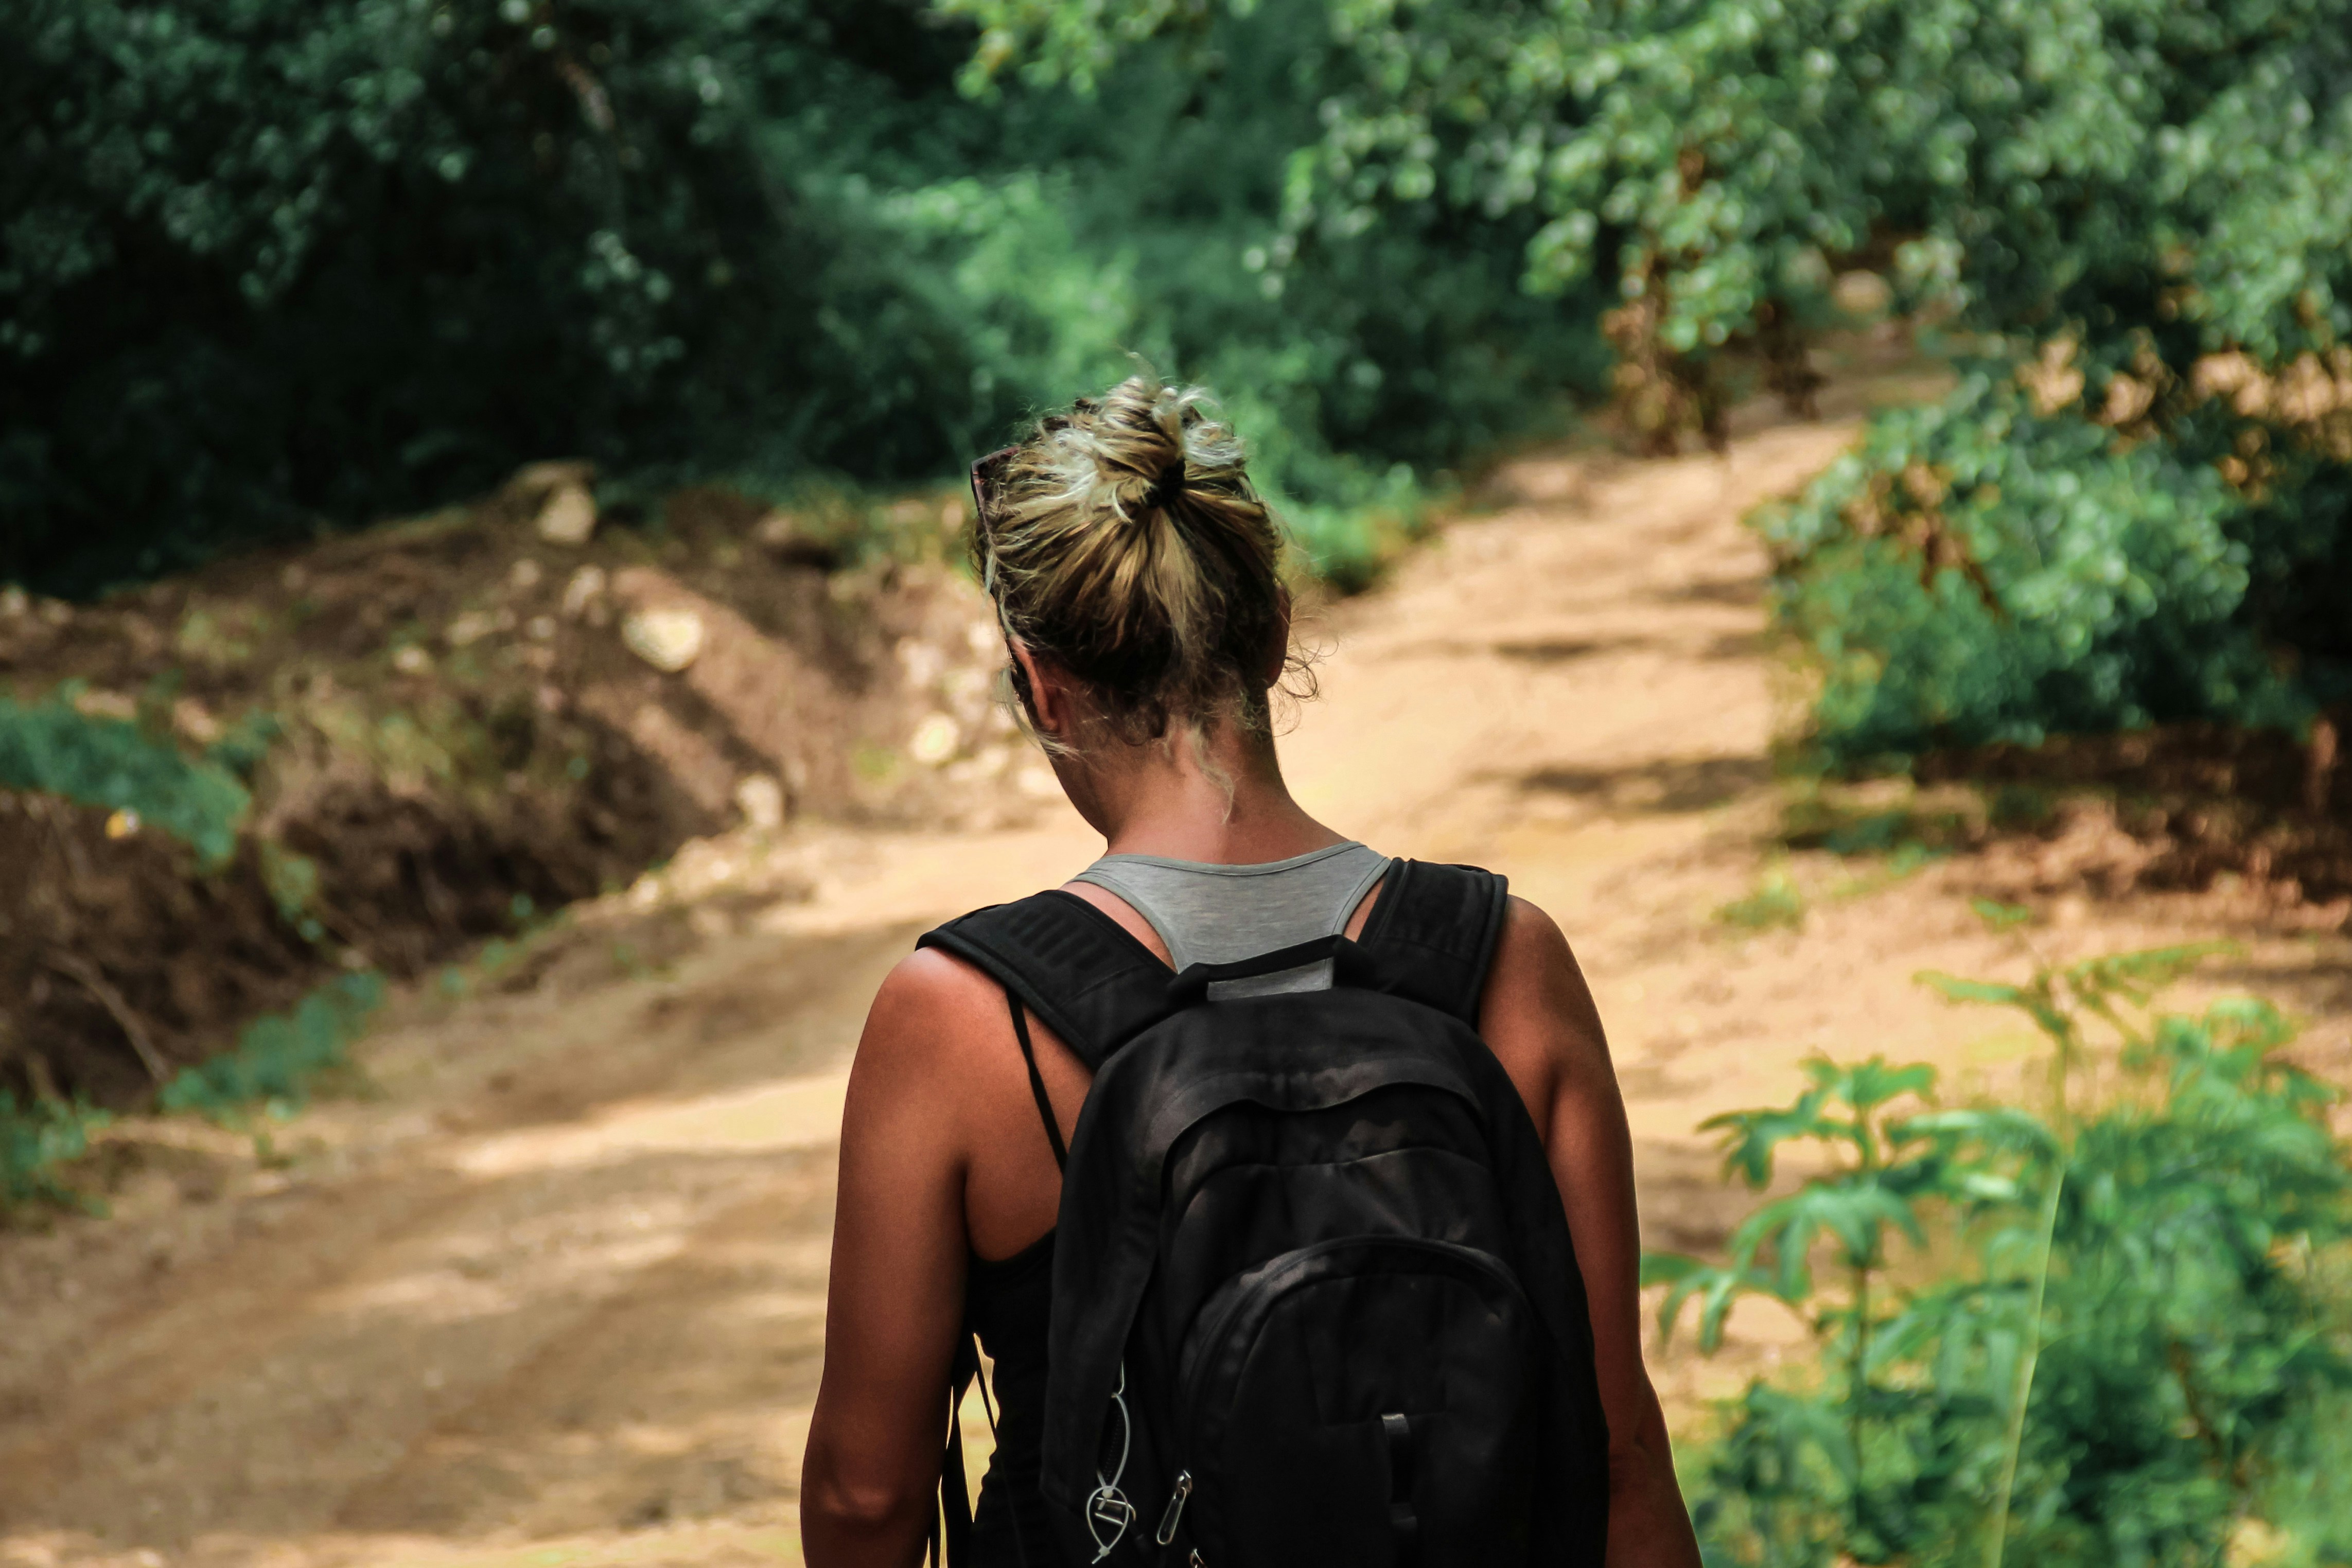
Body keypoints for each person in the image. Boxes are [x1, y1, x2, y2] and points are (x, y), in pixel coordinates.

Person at [800, 374, 1702, 1568]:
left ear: (1042, 684)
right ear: (1273, 630)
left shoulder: (966, 1021)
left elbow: (869, 1500)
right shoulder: (1506, 964)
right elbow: (1617, 1452)